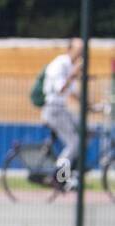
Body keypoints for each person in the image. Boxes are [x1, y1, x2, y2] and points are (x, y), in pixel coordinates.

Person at [41, 38, 84, 188]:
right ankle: (60, 177)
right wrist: (74, 74)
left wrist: (90, 106)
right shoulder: (60, 64)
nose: (80, 54)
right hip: (54, 109)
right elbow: (60, 89)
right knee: (73, 143)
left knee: (87, 129)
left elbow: (73, 92)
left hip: (62, 109)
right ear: (70, 49)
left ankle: (75, 170)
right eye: (78, 50)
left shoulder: (69, 66)